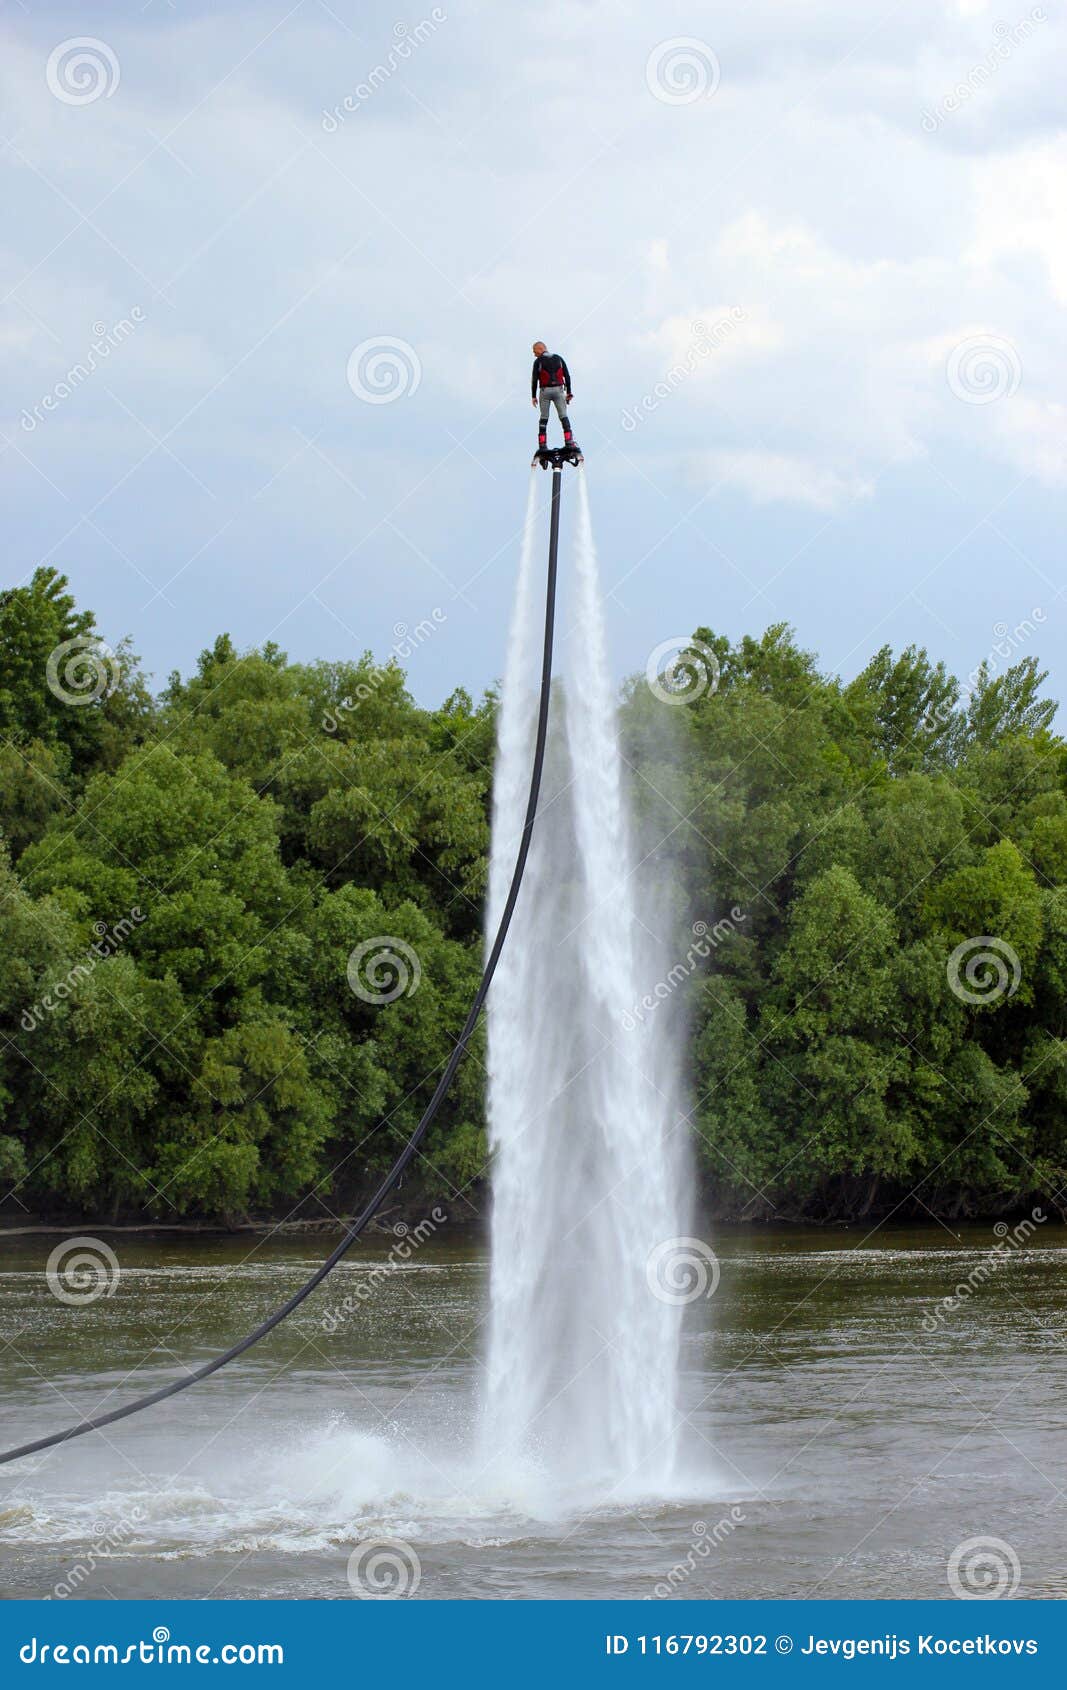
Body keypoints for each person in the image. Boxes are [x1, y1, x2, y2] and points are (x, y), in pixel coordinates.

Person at [530, 340, 575, 453]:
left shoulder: (538, 361)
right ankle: (569, 441)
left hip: (545, 391)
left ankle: (542, 445)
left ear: (540, 349)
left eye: (535, 351)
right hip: (559, 390)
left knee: (544, 418)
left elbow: (534, 379)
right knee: (563, 416)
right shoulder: (559, 358)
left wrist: (533, 396)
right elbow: (567, 375)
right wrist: (569, 392)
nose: (534, 354)